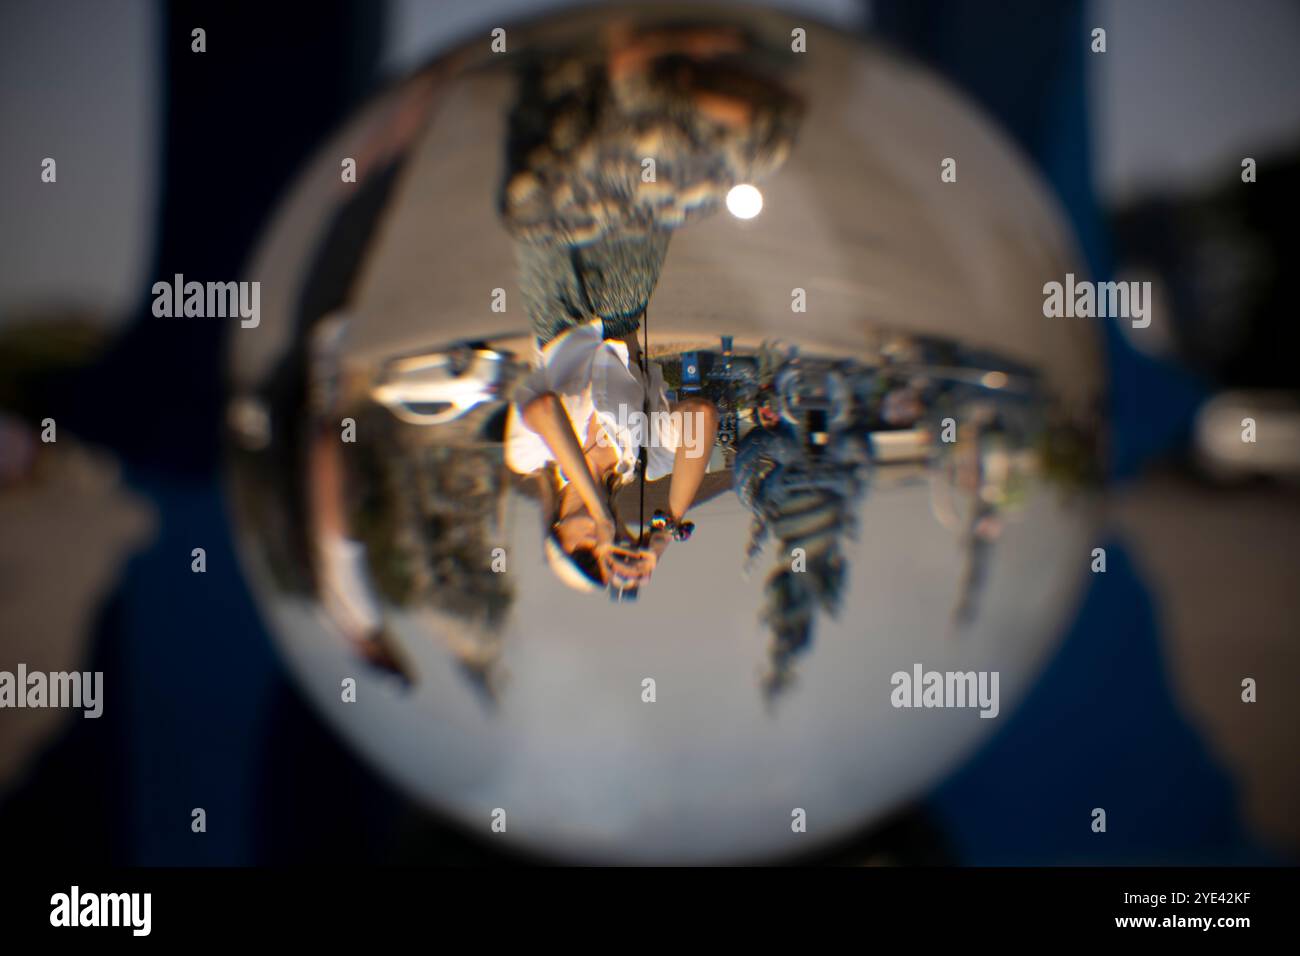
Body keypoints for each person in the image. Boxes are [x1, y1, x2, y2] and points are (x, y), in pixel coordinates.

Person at [498, 25, 800, 593]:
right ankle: (653, 79)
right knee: (648, 183)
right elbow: (700, 417)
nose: (599, 545)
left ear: (556, 531)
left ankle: (603, 78)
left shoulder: (530, 457)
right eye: (604, 557)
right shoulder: (647, 460)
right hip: (620, 312)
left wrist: (598, 509)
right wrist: (665, 529)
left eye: (582, 552)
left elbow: (543, 408)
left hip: (555, 312)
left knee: (539, 188)